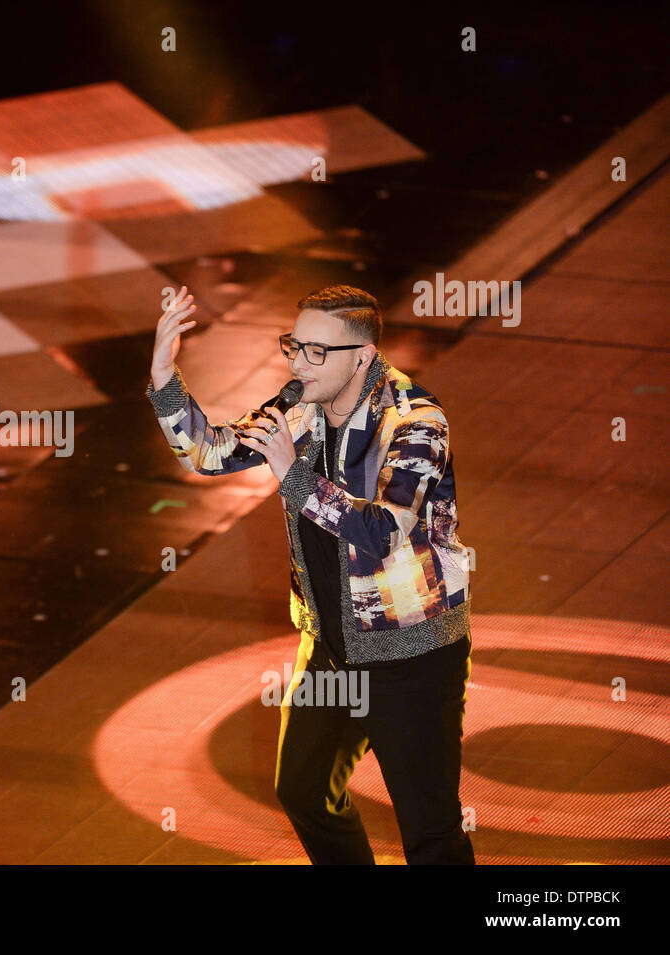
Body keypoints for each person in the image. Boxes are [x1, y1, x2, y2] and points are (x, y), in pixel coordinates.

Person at [144, 284, 474, 865]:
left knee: (430, 834)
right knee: (302, 791)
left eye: (316, 352)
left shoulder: (416, 421)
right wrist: (166, 373)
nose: (297, 363)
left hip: (411, 658)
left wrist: (292, 473)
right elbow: (209, 452)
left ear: (363, 356)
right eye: (293, 346)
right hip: (331, 647)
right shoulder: (301, 403)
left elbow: (383, 534)